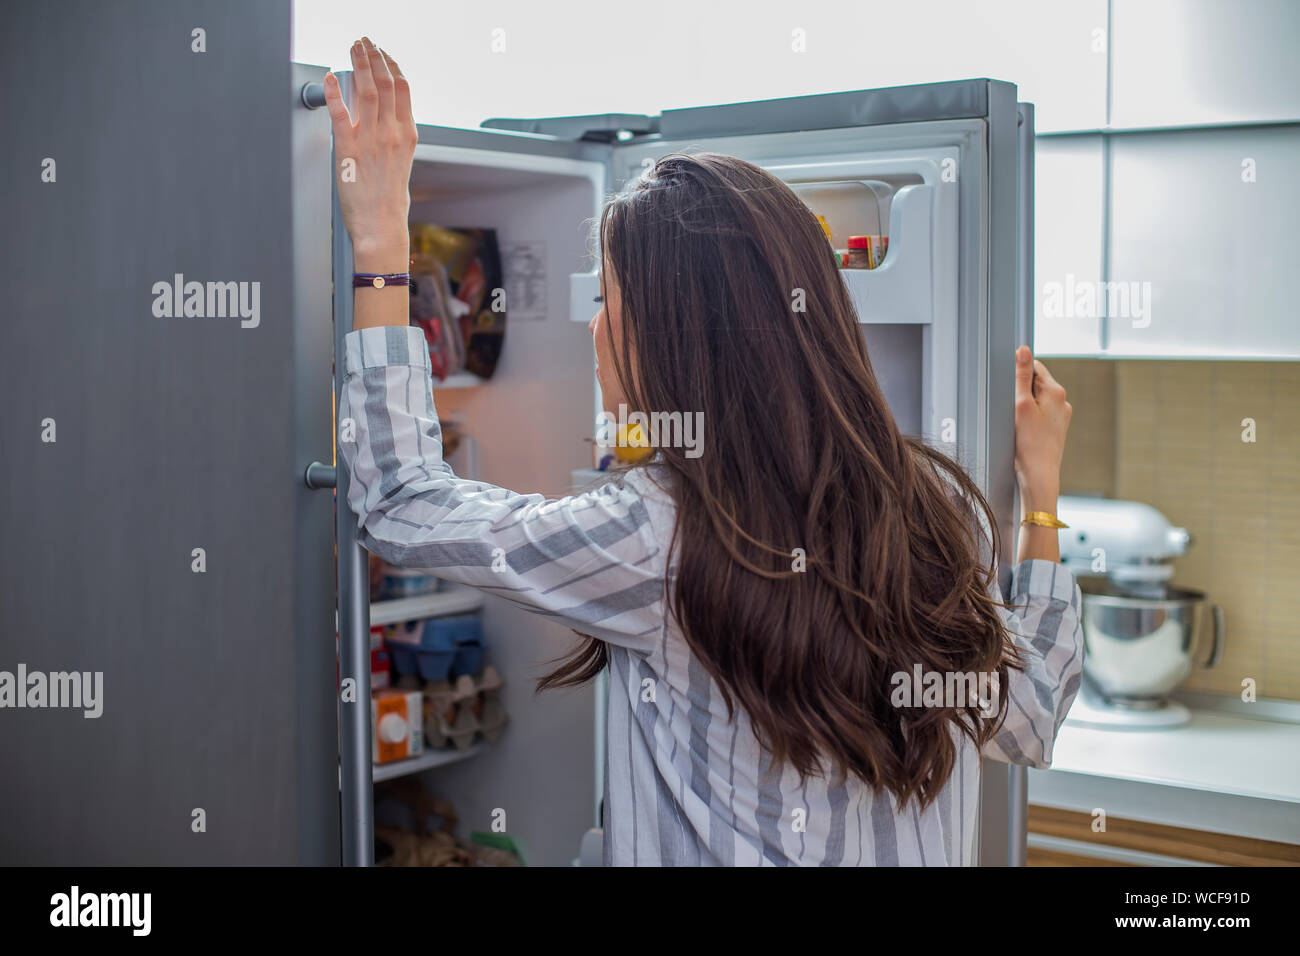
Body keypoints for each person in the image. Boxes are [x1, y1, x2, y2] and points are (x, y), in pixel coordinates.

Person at [326, 37, 1083, 866]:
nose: (593, 325)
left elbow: (401, 506)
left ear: (670, 338)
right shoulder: (928, 507)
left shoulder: (658, 535)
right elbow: (1032, 716)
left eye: (608, 298)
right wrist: (1041, 490)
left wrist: (379, 252)